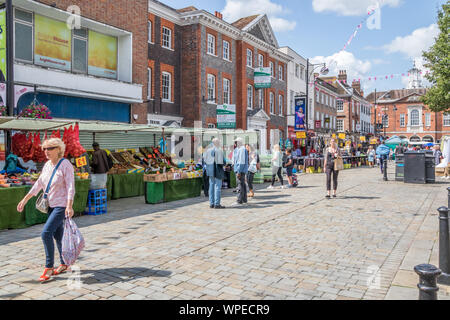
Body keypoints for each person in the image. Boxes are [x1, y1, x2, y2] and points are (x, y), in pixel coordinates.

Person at [16, 138, 75, 282]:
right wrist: (25, 199)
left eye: (50, 148)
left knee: (46, 233)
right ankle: (64, 263)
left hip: (61, 205)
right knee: (58, 235)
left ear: (58, 149)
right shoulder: (47, 165)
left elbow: (70, 186)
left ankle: (49, 267)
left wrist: (69, 205)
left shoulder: (65, 164)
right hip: (50, 204)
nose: (46, 151)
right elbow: (39, 184)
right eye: (44, 149)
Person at [205, 138, 226, 209]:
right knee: (217, 187)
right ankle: (217, 204)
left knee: (211, 187)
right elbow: (222, 162)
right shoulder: (219, 150)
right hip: (217, 171)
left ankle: (211, 203)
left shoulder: (207, 150)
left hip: (210, 171)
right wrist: (225, 163)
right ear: (217, 143)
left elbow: (204, 160)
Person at [232, 138, 248, 206]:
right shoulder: (238, 149)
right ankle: (244, 199)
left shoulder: (242, 149)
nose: (234, 144)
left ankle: (239, 200)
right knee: (242, 185)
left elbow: (241, 161)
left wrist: (239, 171)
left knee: (240, 185)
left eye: (235, 142)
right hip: (239, 169)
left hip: (240, 170)